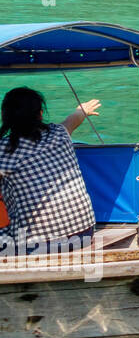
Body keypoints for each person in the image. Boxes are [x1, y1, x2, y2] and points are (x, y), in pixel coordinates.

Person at [0, 88, 101, 256]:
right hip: (84, 233)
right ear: (40, 114)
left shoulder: (4, 150)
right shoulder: (60, 133)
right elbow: (74, 119)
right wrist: (82, 109)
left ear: (6, 117)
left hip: (38, 243)